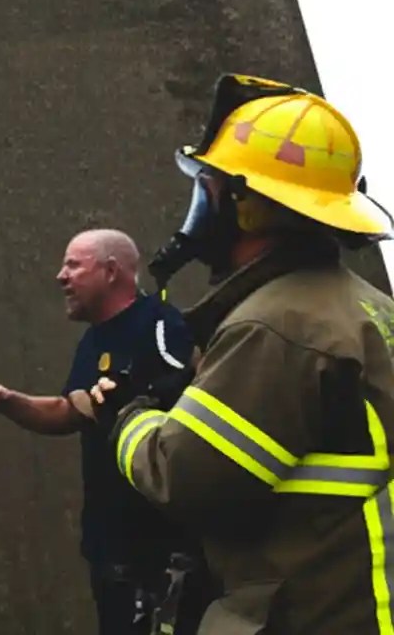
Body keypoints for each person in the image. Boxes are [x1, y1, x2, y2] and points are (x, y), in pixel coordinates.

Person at [109, 73, 394, 634]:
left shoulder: (276, 327)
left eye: (208, 187)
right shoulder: (369, 307)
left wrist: (131, 418)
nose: (198, 207)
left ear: (246, 206)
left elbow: (187, 482)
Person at [0, 229, 213, 635]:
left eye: (73, 265)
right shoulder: (92, 341)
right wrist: (8, 400)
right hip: (108, 547)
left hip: (160, 550)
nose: (61, 276)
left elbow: (198, 393)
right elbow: (70, 412)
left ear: (111, 271)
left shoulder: (160, 326)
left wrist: (145, 397)